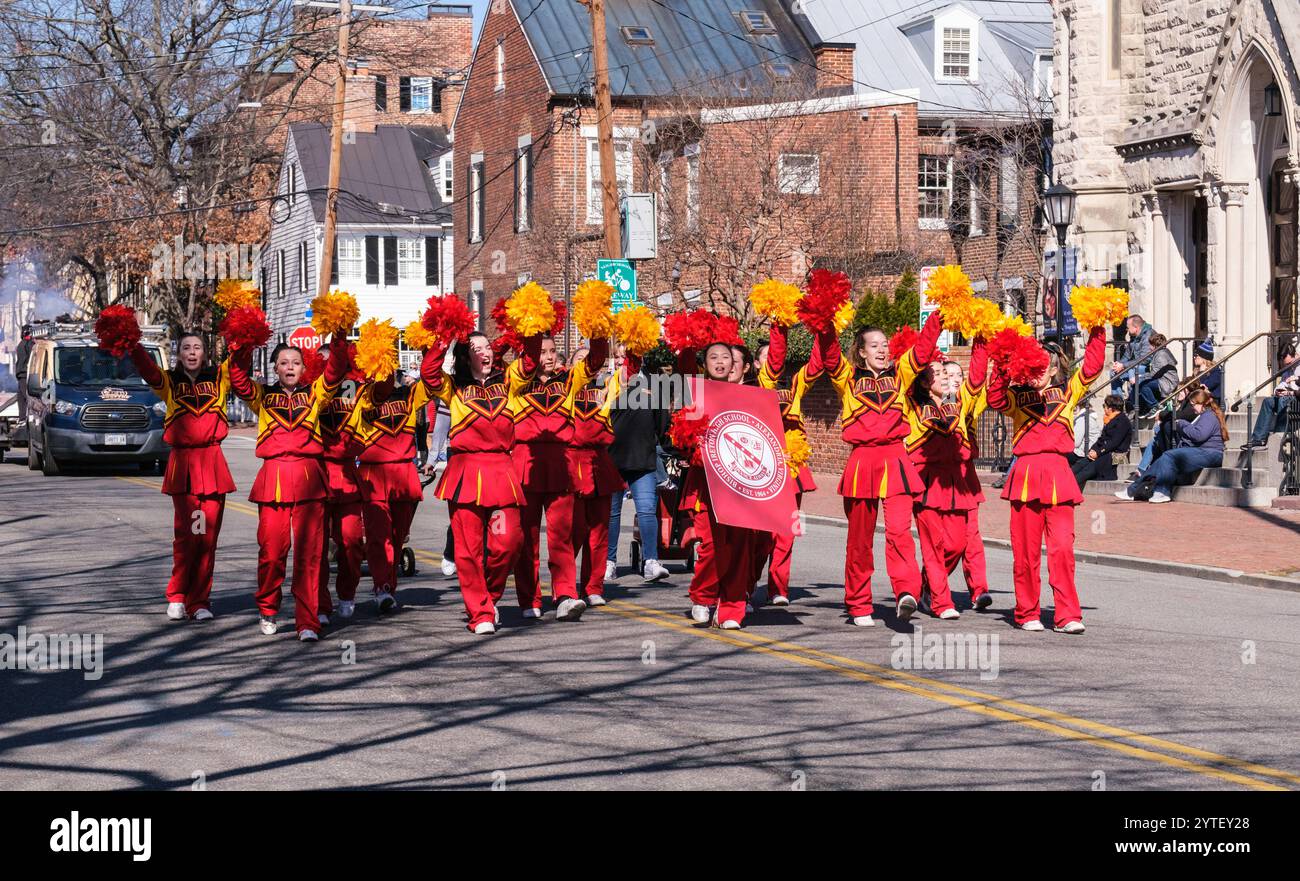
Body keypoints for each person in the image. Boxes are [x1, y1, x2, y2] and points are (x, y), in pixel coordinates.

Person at [820, 313, 940, 626]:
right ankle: (859, 603)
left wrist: (939, 313)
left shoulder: (901, 373)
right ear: (861, 351)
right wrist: (824, 324)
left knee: (900, 532)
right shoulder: (846, 377)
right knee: (860, 539)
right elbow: (830, 353)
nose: (882, 350)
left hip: (896, 459)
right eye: (874, 346)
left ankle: (906, 592)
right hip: (863, 461)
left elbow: (924, 350)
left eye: (884, 345)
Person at [987, 323, 1107, 634]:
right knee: (1025, 552)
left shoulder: (1068, 390)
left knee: (1062, 550)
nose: (1039, 370)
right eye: (1034, 364)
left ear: (1055, 367)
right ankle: (1027, 612)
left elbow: (1093, 365)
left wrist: (1097, 326)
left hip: (1058, 474)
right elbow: (994, 398)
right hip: (1025, 474)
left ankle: (1067, 615)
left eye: (1045, 365)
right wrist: (1002, 363)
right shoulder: (1017, 397)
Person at [230, 341, 349, 641]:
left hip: (310, 477)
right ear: (275, 368)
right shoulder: (263, 396)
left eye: (296, 362)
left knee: (310, 554)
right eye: (284, 362)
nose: (290, 367)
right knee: (272, 551)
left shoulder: (316, 394)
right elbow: (239, 381)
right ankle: (268, 606)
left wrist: (340, 337)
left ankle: (307, 620)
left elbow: (335, 372)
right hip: (274, 477)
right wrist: (241, 346)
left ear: (304, 368)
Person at [121, 331, 236, 622]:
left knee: (207, 537)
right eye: (187, 347)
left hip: (211, 463)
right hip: (183, 464)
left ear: (205, 352)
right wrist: (131, 344)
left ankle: (200, 601)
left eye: (197, 347)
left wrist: (244, 338)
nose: (193, 352)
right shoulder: (169, 381)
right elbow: (147, 369)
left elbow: (241, 361)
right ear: (179, 353)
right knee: (187, 535)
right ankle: (177, 595)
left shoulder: (220, 378)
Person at [430, 331, 526, 634]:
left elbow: (532, 361)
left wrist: (532, 329)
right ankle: (480, 613)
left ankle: (489, 597)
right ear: (465, 355)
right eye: (476, 348)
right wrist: (443, 338)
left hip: (501, 471)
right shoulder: (453, 388)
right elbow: (429, 373)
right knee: (468, 550)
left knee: (508, 543)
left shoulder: (507, 383)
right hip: (466, 472)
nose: (485, 352)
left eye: (488, 346)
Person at [511, 334, 606, 622]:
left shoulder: (567, 381)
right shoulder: (515, 381)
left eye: (553, 351)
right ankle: (529, 597)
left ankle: (565, 594)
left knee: (562, 535)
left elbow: (595, 361)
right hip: (525, 461)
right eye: (543, 352)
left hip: (560, 462)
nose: (549, 357)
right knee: (526, 536)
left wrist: (597, 330)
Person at [676, 333, 758, 629]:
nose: (721, 362)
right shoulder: (694, 393)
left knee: (739, 547)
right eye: (714, 357)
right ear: (704, 364)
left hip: (739, 485)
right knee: (711, 546)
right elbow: (681, 438)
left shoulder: (749, 396)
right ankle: (703, 597)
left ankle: (732, 610)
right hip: (705, 486)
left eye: (726, 357)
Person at [906, 338, 988, 620]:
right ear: (924, 381)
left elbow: (976, 378)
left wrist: (981, 339)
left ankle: (925, 586)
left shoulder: (959, 403)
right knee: (933, 544)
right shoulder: (911, 405)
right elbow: (905, 370)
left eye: (945, 373)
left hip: (956, 481)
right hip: (927, 480)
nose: (944, 377)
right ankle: (942, 602)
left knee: (955, 544)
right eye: (937, 373)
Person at [355, 359, 439, 614]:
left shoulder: (411, 393)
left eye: (387, 364)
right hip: (373, 472)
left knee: (397, 537)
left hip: (403, 471)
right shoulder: (361, 395)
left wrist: (434, 346)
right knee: (379, 537)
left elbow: (432, 378)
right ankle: (382, 587)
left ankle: (388, 585)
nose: (383, 369)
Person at [753, 319, 823, 606]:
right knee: (760, 537)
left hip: (791, 468)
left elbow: (816, 366)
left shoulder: (793, 386)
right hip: (761, 469)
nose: (774, 361)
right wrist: (778, 326)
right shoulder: (754, 386)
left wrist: (824, 328)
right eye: (767, 357)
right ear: (756, 365)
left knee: (786, 533)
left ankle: (778, 588)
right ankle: (745, 585)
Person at [607, 344, 672, 582]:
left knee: (646, 511)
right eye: (618, 355)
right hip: (612, 459)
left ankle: (651, 561)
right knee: (611, 514)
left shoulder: (655, 385)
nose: (623, 359)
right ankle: (609, 562)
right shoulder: (608, 383)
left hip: (643, 459)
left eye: (628, 355)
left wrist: (673, 449)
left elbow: (663, 425)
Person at [312, 344, 367, 622]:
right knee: (317, 545)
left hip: (346, 476)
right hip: (317, 474)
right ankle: (320, 602)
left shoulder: (356, 387)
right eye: (323, 361)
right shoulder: (309, 389)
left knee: (352, 541)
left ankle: (347, 593)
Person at [568, 337, 623, 607]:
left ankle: (594, 586)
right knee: (573, 532)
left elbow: (627, 373)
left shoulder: (605, 390)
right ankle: (566, 587)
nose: (587, 368)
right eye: (580, 361)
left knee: (599, 532)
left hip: (601, 464)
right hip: (572, 463)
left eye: (590, 363)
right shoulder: (563, 390)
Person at [1117, 389, 1227, 503]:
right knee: (1163, 460)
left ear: (1202, 403)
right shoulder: (1205, 415)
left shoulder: (1208, 416)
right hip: (1204, 452)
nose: (1192, 407)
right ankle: (1133, 489)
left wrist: (1183, 424)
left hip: (1211, 453)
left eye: (1193, 404)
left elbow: (1199, 435)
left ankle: (1160, 491)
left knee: (1169, 456)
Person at [1241, 343, 1299, 449]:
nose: (1288, 366)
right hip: (1288, 397)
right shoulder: (1289, 369)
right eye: (1286, 364)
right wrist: (1278, 391)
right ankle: (1259, 439)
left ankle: (1279, 436)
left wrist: (1289, 392)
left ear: (1295, 355)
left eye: (1290, 363)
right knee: (1268, 401)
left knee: (1283, 400)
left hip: (1296, 399)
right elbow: (1282, 384)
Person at [1071, 394, 1132, 489]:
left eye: (1105, 406)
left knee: (1091, 467)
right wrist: (1093, 450)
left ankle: (1070, 486)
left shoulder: (1123, 421)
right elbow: (1101, 439)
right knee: (1082, 463)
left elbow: (1114, 443)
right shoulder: (1110, 420)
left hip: (1120, 455)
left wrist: (1098, 453)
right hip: (1106, 452)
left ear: (1111, 408)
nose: (1104, 408)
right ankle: (1064, 480)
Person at [1110, 314, 1153, 408]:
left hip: (1148, 367)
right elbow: (1127, 355)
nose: (1126, 330)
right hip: (1135, 365)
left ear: (1136, 327)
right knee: (1113, 373)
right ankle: (1117, 405)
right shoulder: (1134, 336)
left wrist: (1124, 365)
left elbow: (1145, 359)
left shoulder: (1148, 335)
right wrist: (1119, 364)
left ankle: (1135, 404)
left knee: (1132, 371)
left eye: (1128, 327)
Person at [1135, 333, 1178, 413]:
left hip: (1167, 382)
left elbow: (1155, 372)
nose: (1149, 347)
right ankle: (1148, 407)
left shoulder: (1161, 354)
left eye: (1150, 345)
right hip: (1165, 379)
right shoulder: (1163, 352)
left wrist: (1140, 377)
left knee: (1143, 385)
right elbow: (1174, 362)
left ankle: (1155, 406)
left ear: (1155, 345)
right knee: (1141, 384)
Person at [13, 324, 33, 422]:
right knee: (24, 399)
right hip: (24, 376)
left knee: (24, 399)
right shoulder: (28, 344)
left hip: (23, 376)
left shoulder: (24, 343)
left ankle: (24, 420)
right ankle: (23, 421)